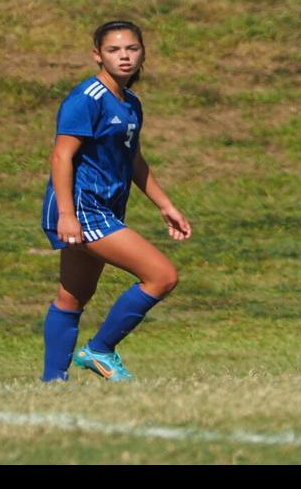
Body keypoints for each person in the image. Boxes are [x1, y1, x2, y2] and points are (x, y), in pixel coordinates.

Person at [41, 21, 191, 383]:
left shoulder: (131, 103)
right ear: (97, 55)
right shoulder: (86, 99)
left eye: (131, 49)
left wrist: (164, 204)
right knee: (162, 276)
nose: (124, 56)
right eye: (113, 50)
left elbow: (133, 159)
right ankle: (99, 350)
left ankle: (52, 383)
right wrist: (67, 215)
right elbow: (61, 157)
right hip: (81, 208)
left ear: (142, 54)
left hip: (102, 208)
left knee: (72, 298)